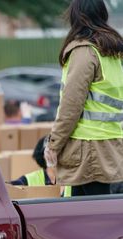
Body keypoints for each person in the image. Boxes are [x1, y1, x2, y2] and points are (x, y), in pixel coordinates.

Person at [44, 0, 123, 196]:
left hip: (88, 149)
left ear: (76, 18)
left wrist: (53, 145)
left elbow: (71, 106)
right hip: (112, 146)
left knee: (90, 219)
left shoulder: (85, 51)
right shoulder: (113, 53)